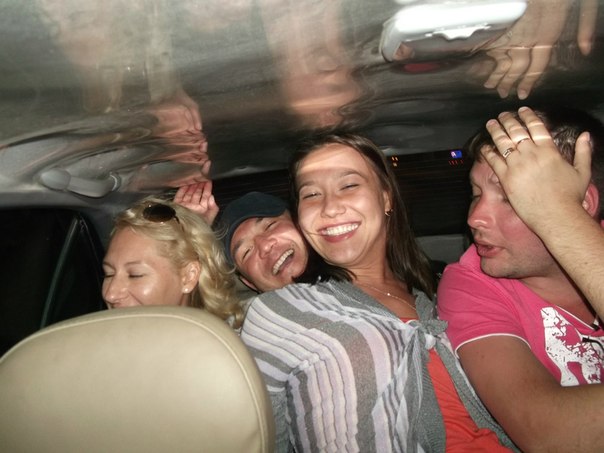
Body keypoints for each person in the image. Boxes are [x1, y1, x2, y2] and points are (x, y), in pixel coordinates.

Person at [240, 134, 516, 452]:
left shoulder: (445, 294)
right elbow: (257, 441)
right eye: (311, 194)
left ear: (386, 198)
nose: (330, 208)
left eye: (348, 185)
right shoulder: (279, 311)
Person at [437, 106, 604, 452]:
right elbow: (549, 433)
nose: (474, 218)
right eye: (476, 194)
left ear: (581, 204)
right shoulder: (470, 282)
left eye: (511, 198)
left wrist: (562, 216)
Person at [102, 196, 244, 328]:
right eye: (109, 274)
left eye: (135, 275)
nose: (110, 294)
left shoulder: (215, 345)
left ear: (188, 276)